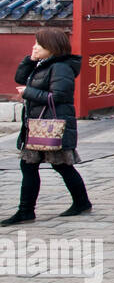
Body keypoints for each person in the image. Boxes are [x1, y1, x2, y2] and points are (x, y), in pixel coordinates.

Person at [4, 27, 93, 225]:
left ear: (51, 48)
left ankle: (81, 202)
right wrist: (30, 59)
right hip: (36, 123)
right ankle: (27, 211)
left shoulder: (60, 67)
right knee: (29, 166)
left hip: (52, 124)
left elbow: (59, 96)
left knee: (61, 166)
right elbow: (20, 78)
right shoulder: (44, 64)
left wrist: (28, 93)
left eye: (39, 44)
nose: (34, 47)